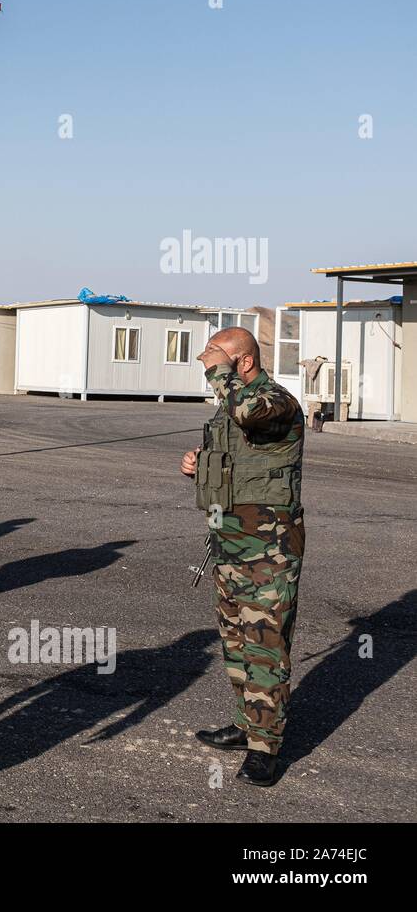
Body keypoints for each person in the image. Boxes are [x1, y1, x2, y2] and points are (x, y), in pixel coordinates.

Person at [182, 327, 305, 787]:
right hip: (230, 542)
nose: (207, 365)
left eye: (215, 359)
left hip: (267, 549)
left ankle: (265, 749)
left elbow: (249, 412)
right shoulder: (230, 404)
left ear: (244, 363)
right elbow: (239, 458)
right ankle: (247, 723)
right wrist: (198, 463)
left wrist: (220, 370)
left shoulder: (275, 401)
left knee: (265, 648)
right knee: (236, 642)